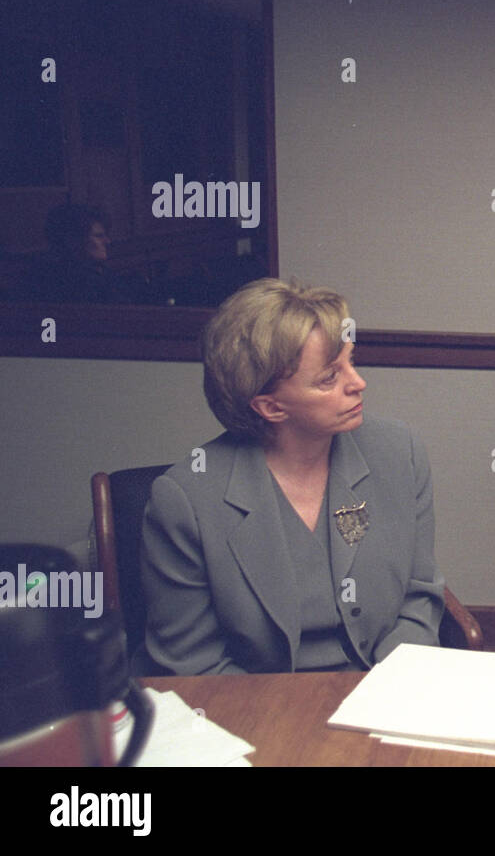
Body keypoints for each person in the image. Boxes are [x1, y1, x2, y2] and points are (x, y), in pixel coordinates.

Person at [141, 278, 445, 674]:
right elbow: (195, 665)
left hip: (382, 693)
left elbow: (419, 599)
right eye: (329, 377)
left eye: (351, 362)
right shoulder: (186, 500)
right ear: (270, 407)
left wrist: (384, 693)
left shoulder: (398, 452)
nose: (358, 383)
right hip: (258, 713)